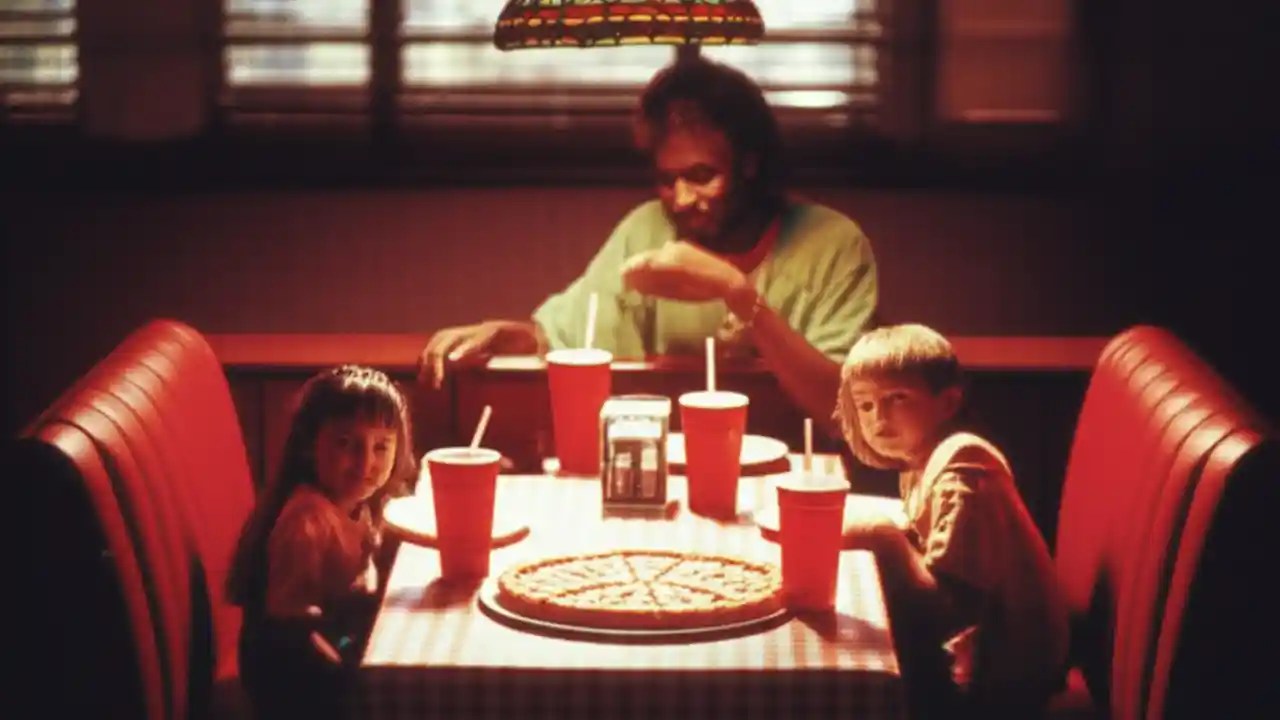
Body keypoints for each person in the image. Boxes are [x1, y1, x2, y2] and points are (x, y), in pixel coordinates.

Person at [419, 55, 879, 425]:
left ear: (750, 163)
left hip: (798, 465)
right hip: (672, 458)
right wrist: (503, 335)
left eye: (702, 176)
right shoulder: (648, 229)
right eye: (666, 179)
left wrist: (737, 293)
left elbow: (842, 409)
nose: (681, 199)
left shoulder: (833, 244)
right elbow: (567, 336)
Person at [833, 324, 1068, 719]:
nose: (878, 418)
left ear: (948, 402)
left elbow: (948, 610)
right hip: (978, 657)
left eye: (897, 398)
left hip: (1002, 680)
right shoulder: (921, 458)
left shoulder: (963, 466)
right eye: (866, 405)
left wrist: (881, 536)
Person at [226, 365, 417, 720]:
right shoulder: (307, 523)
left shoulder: (360, 504)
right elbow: (290, 634)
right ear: (308, 444)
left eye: (381, 446)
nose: (365, 462)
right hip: (293, 683)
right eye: (346, 443)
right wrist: (354, 675)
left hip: (333, 643)